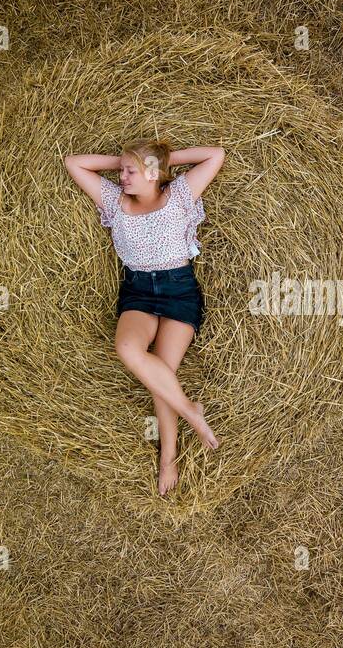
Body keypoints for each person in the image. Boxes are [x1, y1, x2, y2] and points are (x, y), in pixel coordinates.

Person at [63, 140, 225, 496]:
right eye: (121, 170)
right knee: (128, 348)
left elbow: (216, 154)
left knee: (162, 373)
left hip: (179, 290)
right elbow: (73, 162)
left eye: (129, 171)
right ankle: (190, 411)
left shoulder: (180, 195)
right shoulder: (116, 202)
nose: (121, 176)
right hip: (138, 291)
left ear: (153, 173)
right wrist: (127, 160)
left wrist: (162, 161)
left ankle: (169, 456)